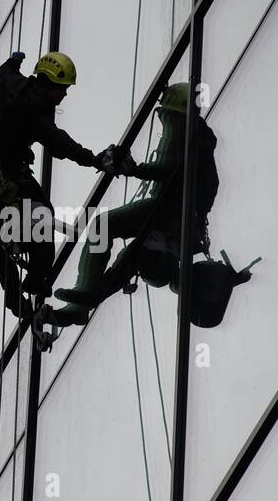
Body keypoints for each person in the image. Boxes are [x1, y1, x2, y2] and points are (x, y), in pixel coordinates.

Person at [0, 50, 123, 322]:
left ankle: (17, 289)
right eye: (62, 89)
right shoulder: (35, 113)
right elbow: (60, 143)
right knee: (37, 217)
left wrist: (14, 61)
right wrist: (94, 160)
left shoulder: (13, 82)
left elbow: (0, 76)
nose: (64, 95)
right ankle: (33, 280)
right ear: (48, 83)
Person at [47, 82, 220, 327]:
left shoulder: (187, 134)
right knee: (126, 261)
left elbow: (171, 170)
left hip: (170, 210)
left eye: (166, 114)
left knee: (104, 225)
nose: (164, 120)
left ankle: (84, 296)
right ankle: (79, 306)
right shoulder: (193, 136)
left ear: (175, 113)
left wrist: (135, 170)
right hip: (172, 215)